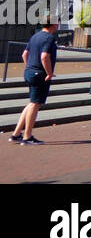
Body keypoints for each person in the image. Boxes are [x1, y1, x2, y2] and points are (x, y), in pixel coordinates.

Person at [10, 15, 58, 145]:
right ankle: (27, 136)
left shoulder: (35, 36)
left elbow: (24, 54)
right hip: (40, 74)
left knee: (32, 102)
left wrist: (29, 67)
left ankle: (16, 133)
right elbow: (44, 56)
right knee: (35, 104)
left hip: (30, 72)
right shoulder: (49, 38)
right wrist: (49, 73)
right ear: (54, 24)